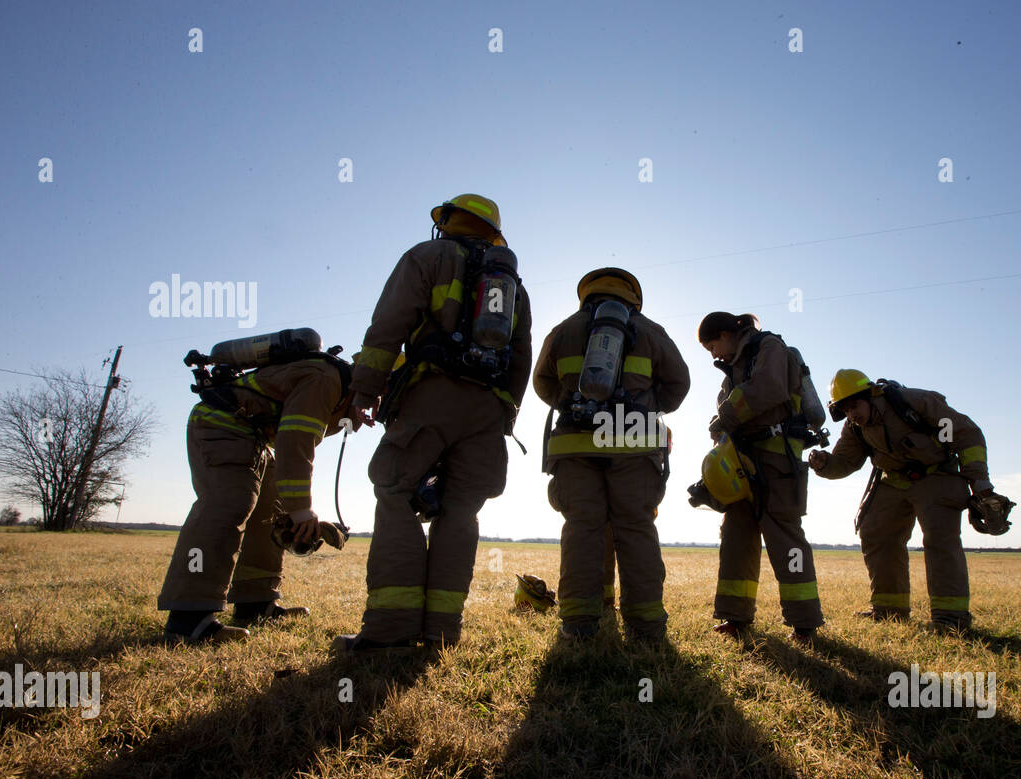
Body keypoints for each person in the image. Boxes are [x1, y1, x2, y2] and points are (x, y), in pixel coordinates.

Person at [338, 193, 532, 651]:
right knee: (460, 512)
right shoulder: (512, 286)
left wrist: (365, 387)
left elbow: (388, 324)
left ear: (446, 222)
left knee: (395, 494)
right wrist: (503, 414)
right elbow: (520, 356)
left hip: (430, 395)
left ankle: (390, 632)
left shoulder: (427, 256)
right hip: (488, 411)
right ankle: (442, 632)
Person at [158, 332, 355, 642]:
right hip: (223, 424)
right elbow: (295, 442)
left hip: (251, 436)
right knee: (229, 504)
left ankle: (256, 602)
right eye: (379, 401)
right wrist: (302, 510)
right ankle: (188, 618)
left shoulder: (337, 389)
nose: (373, 415)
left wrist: (296, 513)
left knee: (269, 511)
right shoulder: (325, 380)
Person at [533, 267, 689, 642]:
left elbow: (542, 382)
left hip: (575, 447)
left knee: (582, 530)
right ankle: (646, 626)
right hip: (634, 448)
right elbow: (679, 384)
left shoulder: (564, 329)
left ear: (585, 293)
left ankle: (579, 624)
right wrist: (647, 409)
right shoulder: (652, 331)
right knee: (636, 530)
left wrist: (574, 405)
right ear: (633, 297)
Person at [808, 368, 1000, 632]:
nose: (852, 413)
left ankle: (951, 619)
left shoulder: (915, 402)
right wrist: (824, 463)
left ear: (871, 395)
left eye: (855, 405)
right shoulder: (856, 428)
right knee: (876, 533)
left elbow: (967, 434)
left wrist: (979, 482)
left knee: (939, 540)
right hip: (894, 479)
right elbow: (845, 462)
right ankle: (888, 610)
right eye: (845, 409)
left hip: (937, 476)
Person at [697, 312, 824, 643]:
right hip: (744, 462)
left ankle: (804, 624)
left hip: (777, 460)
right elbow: (732, 408)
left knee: (785, 539)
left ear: (728, 333)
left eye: (713, 345)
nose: (714, 354)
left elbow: (768, 388)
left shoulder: (769, 347)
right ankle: (735, 617)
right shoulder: (735, 366)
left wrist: (723, 418)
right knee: (736, 537)